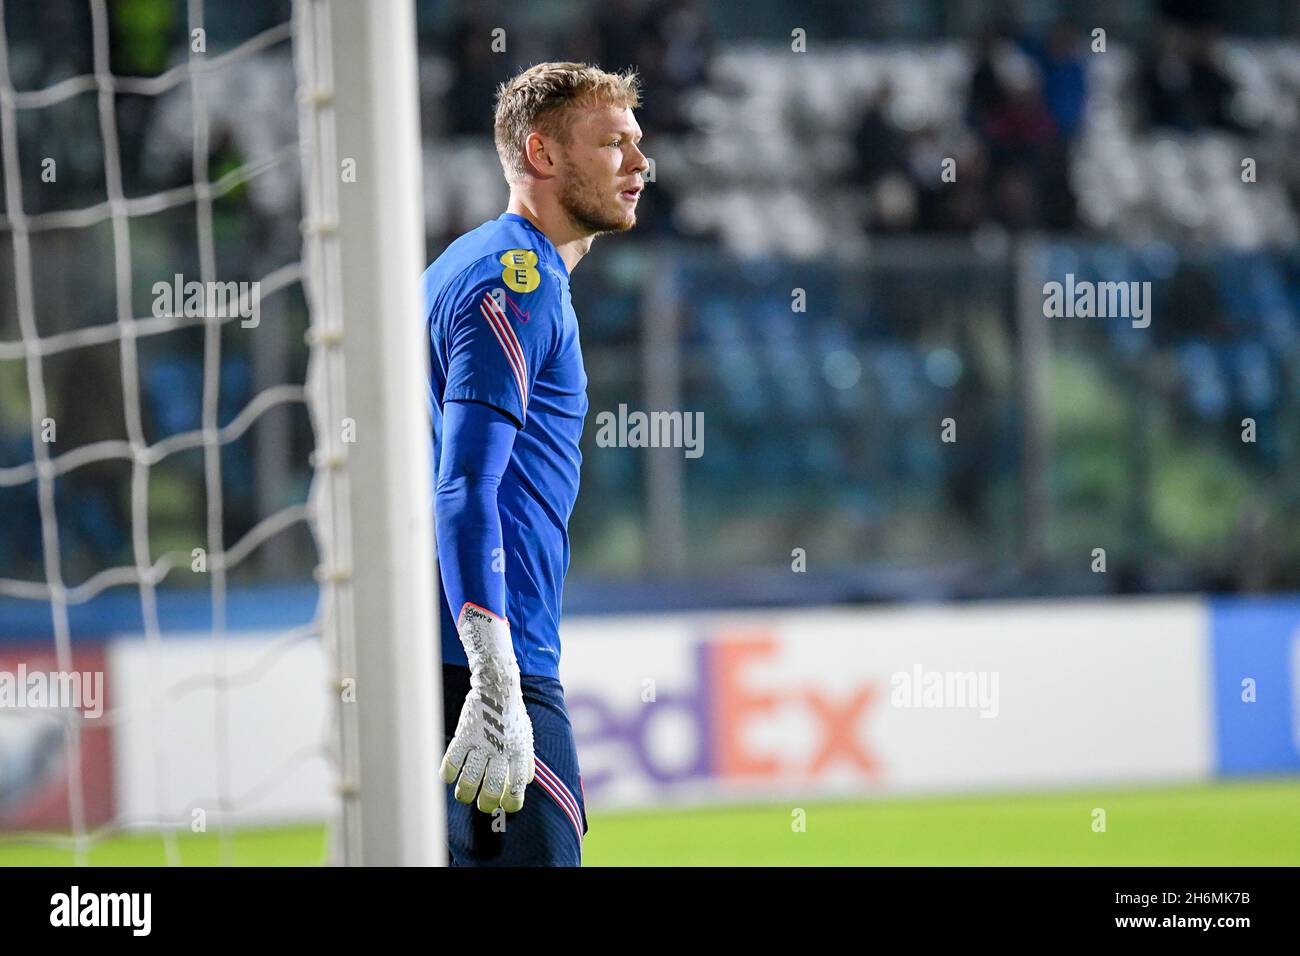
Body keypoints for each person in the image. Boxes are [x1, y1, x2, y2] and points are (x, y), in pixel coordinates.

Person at [421, 62, 647, 866]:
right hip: (476, 660)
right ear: (542, 154)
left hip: (443, 646)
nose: (639, 163)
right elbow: (463, 485)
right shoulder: (515, 280)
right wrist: (492, 673)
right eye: (612, 143)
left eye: (637, 143)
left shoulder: (474, 262)